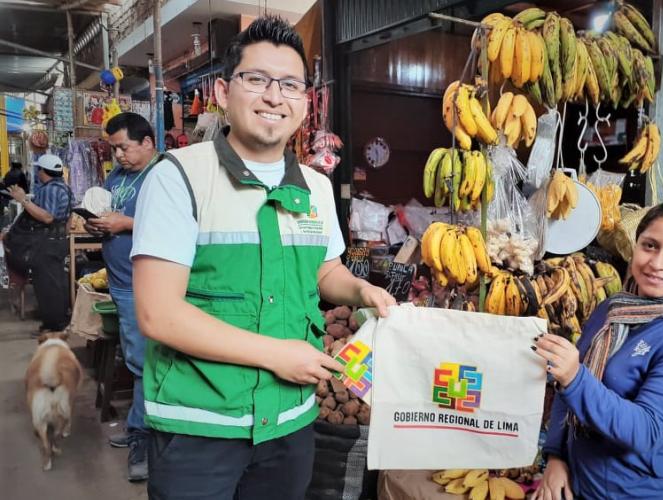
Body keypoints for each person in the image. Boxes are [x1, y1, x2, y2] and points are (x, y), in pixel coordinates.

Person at [130, 15, 396, 499]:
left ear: (305, 101)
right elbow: (157, 313)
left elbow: (325, 270)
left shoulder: (315, 186)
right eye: (257, 79)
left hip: (291, 423)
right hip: (201, 425)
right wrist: (278, 355)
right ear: (221, 92)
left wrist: (361, 290)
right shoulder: (179, 177)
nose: (275, 96)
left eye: (291, 84)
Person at [533, 203, 663, 500]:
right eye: (650, 245)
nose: (656, 263)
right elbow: (565, 388)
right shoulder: (614, 308)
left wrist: (574, 377)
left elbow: (646, 431)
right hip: (591, 486)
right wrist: (556, 456)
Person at [84, 112, 157, 482]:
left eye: (124, 148)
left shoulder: (162, 176)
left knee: (144, 365)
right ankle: (137, 428)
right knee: (136, 361)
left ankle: (141, 443)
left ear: (147, 142)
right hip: (121, 281)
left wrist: (124, 224)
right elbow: (109, 210)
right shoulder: (118, 175)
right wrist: (94, 220)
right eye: (114, 149)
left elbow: (181, 225)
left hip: (147, 284)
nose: (119, 156)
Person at [4, 155, 72, 333]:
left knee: (47, 284)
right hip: (57, 241)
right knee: (56, 282)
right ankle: (58, 321)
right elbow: (68, 220)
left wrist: (23, 200)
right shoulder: (64, 188)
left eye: (39, 170)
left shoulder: (49, 190)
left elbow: (47, 217)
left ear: (43, 171)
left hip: (47, 242)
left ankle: (53, 326)